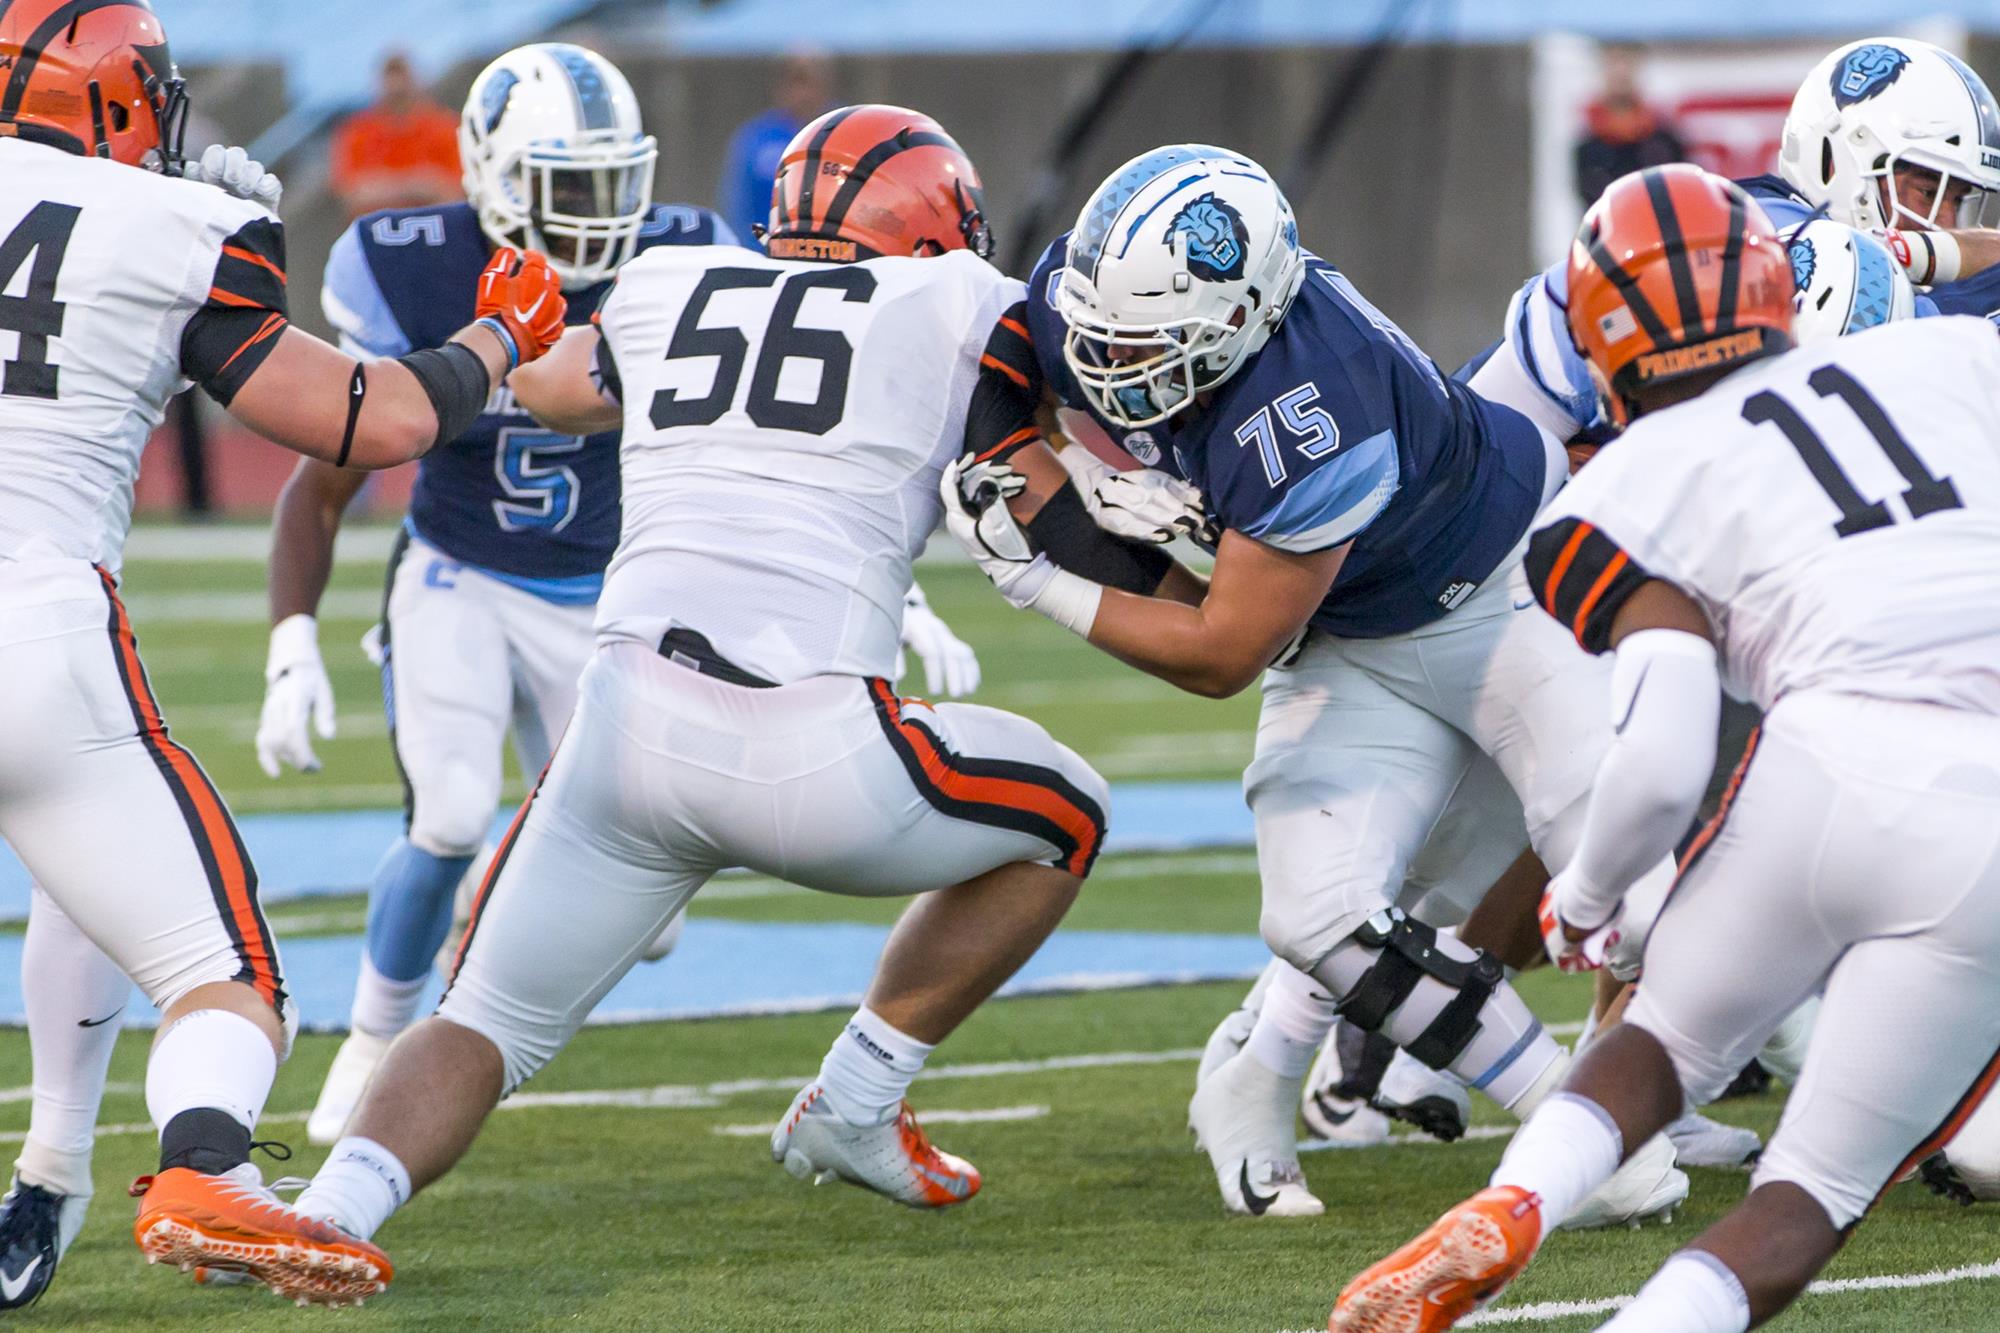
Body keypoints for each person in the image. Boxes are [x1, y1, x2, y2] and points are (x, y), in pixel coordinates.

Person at [257, 105, 1106, 1295]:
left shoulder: (666, 279)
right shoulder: (961, 299)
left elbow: (554, 391)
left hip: (621, 725)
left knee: (482, 1016)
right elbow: (1079, 409)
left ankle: (329, 1207)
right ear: (932, 232)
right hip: (815, 755)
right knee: (1068, 810)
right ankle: (857, 1098)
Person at [940, 144, 1688, 1223]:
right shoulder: (1087, 290)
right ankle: (1321, 1086)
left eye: (1148, 346)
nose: (1110, 364)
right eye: (1103, 334)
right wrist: (1040, 466)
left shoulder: (1309, 409)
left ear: (1241, 317)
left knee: (1630, 887)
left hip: (1510, 598)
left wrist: (1041, 579)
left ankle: (1669, 1100)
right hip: (1354, 625)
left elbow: (1219, 650)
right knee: (1319, 911)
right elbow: (1013, 388)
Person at [1333, 163, 2000, 1333]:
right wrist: (1942, 257)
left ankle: (1516, 1201)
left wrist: (1585, 897)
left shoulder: (1615, 485)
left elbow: (1657, 750)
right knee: (1813, 1194)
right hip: (1982, 816)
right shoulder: (1941, 358)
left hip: (1820, 763)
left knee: (1659, 1041)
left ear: (1595, 335)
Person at [0, 0, 568, 1307]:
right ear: (123, 98)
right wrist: (500, 334)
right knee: (230, 977)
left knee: (82, 877)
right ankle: (208, 1169)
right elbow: (373, 416)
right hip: (35, 642)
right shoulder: (179, 233)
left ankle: (48, 1175)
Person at [717, 48, 833, 245]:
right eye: (795, 83)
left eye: (809, 83)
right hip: (765, 254)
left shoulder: (844, 131)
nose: (803, 93)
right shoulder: (757, 138)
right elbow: (739, 204)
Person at [329, 53, 461, 221]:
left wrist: (386, 185)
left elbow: (454, 191)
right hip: (376, 234)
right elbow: (352, 195)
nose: (396, 88)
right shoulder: (357, 131)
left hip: (439, 230)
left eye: (402, 78)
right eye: (390, 78)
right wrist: (415, 185)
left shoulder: (445, 126)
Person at [1573, 46, 1684, 207]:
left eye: (1627, 63)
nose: (1621, 72)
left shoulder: (1662, 139)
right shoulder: (1588, 144)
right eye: (1614, 64)